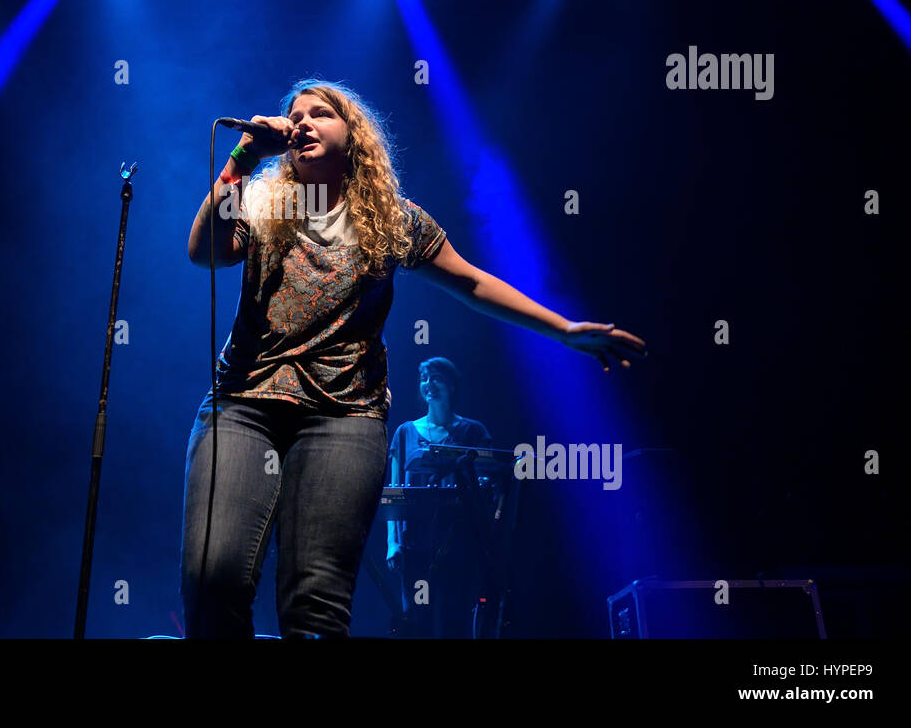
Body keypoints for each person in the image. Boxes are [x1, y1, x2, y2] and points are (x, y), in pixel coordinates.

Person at [180, 78, 645, 638]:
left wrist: (564, 330)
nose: (302, 122)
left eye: (320, 114)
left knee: (315, 602)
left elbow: (472, 284)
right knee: (213, 577)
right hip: (244, 404)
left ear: (353, 137)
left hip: (342, 417)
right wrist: (244, 154)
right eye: (294, 115)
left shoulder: (391, 217)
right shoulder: (261, 199)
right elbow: (204, 252)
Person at [387, 356, 494, 637]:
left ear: (452, 385)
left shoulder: (473, 431)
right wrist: (391, 542)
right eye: (424, 378)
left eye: (436, 377)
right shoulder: (405, 432)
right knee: (414, 620)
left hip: (458, 540)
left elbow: (486, 485)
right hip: (414, 543)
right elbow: (394, 490)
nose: (429, 384)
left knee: (454, 618)